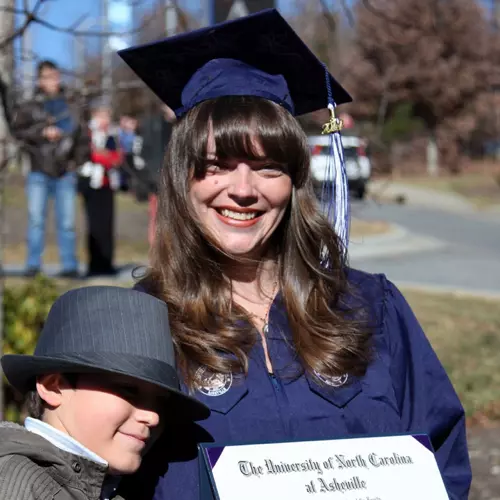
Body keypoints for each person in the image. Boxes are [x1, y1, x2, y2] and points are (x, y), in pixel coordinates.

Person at [117, 9, 471, 500]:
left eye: (267, 167)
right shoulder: (141, 324)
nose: (243, 190)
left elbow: (442, 459)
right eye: (217, 166)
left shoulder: (371, 308)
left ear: (294, 182)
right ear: (183, 178)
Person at [0, 286, 209, 500]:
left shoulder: (104, 487)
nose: (153, 416)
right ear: (54, 387)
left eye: (160, 403)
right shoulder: (16, 485)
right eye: (128, 390)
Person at [10, 60, 88, 278]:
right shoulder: (30, 105)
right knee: (36, 220)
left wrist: (76, 163)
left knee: (67, 222)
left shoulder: (71, 104)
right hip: (39, 169)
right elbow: (19, 133)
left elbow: (82, 135)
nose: (53, 80)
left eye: (55, 75)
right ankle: (33, 265)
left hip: (65, 170)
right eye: (47, 76)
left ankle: (69, 265)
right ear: (39, 79)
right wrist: (42, 133)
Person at [78, 103, 122, 277]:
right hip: (91, 184)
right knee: (94, 225)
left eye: (108, 116)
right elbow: (89, 154)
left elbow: (117, 157)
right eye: (103, 116)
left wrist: (104, 156)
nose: (106, 120)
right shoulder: (86, 133)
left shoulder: (111, 135)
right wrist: (101, 155)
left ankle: (107, 263)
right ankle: (94, 264)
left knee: (108, 225)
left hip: (107, 184)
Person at [138, 103, 176, 245]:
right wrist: (152, 175)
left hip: (177, 179)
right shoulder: (153, 124)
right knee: (156, 216)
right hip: (158, 179)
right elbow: (145, 151)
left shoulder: (181, 123)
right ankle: (157, 252)